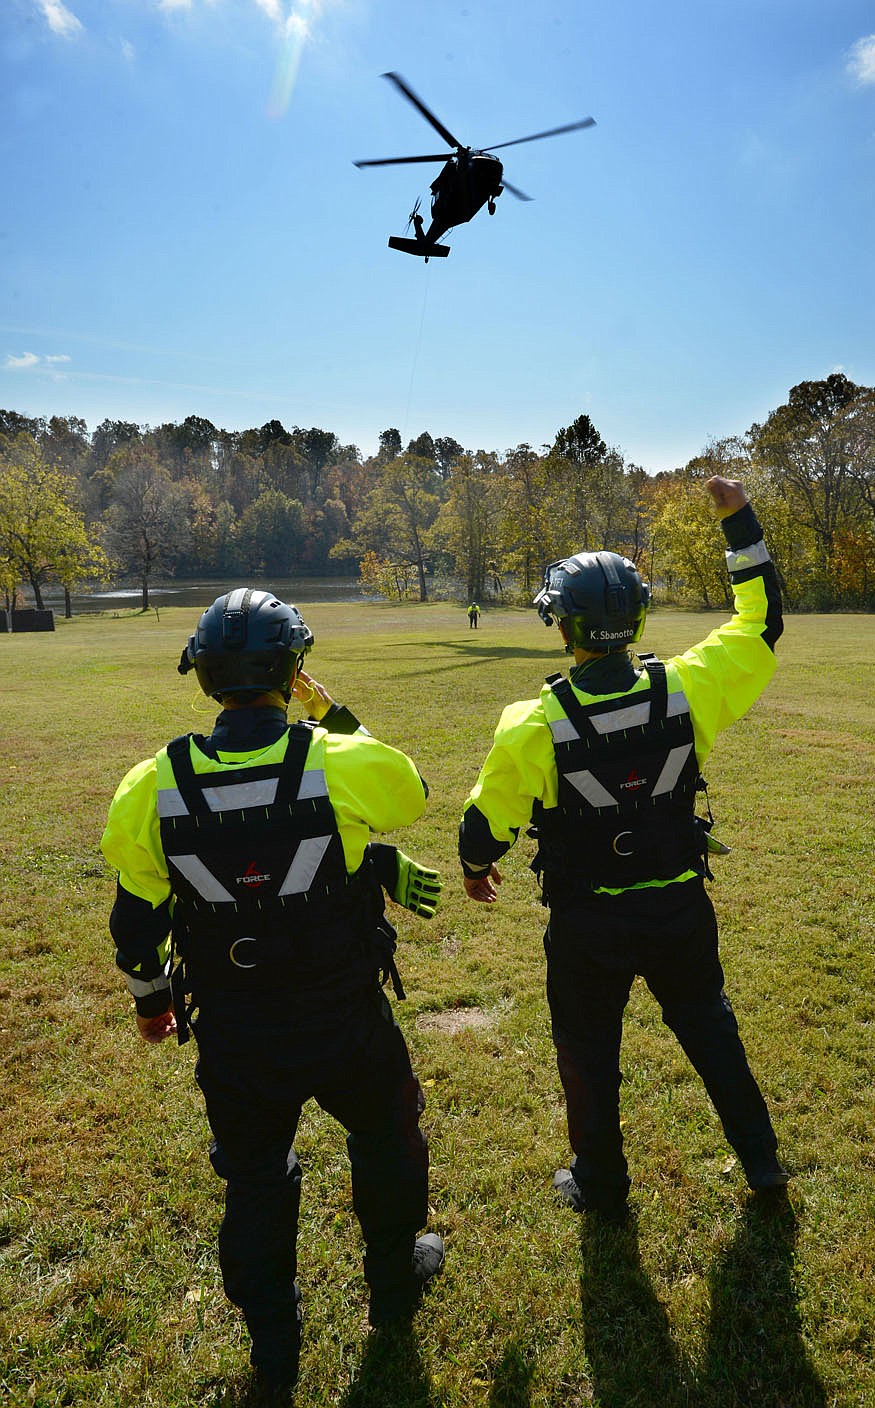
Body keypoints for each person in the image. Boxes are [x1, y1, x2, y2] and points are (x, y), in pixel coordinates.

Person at [101, 588, 445, 1394]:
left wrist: (152, 1001)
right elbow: (413, 794)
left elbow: (135, 918)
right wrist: (334, 719)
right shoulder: (342, 762)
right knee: (388, 1141)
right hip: (347, 1021)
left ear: (203, 677)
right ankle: (392, 1286)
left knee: (255, 1179)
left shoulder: (148, 787)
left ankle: (273, 1341)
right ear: (293, 672)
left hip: (236, 1031)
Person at [459, 477, 789, 1218]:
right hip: (678, 905)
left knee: (588, 1057)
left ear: (562, 625)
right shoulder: (688, 687)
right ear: (637, 616)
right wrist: (739, 522)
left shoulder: (531, 722)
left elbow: (484, 830)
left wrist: (478, 869)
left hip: (586, 925)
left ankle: (601, 1188)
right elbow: (761, 623)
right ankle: (761, 1161)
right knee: (710, 1029)